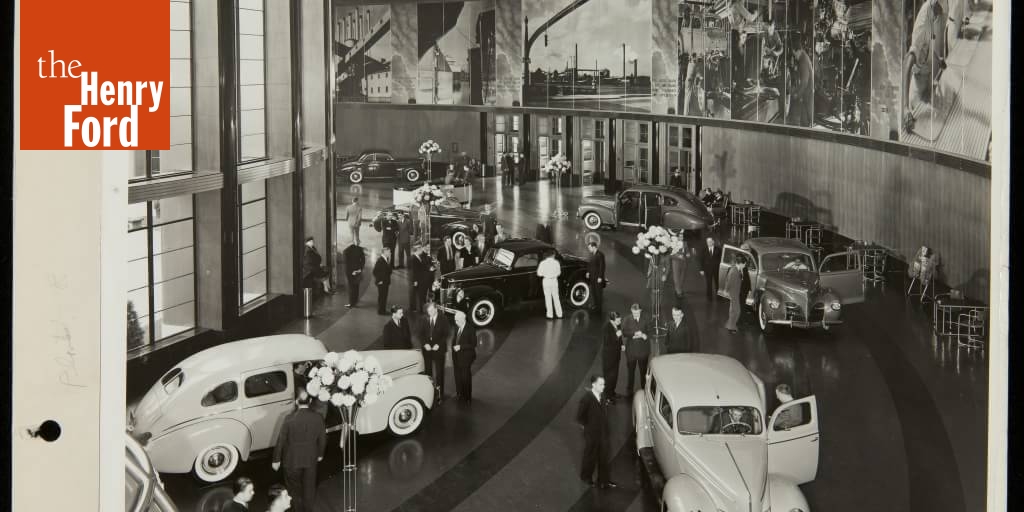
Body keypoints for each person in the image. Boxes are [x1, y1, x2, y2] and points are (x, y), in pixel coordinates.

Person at [272, 392, 326, 512]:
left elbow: (281, 440)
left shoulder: (289, 418)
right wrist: (320, 454)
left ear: (296, 401)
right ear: (310, 401)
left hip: (291, 459)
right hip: (310, 459)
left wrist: (276, 459)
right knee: (309, 490)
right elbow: (322, 438)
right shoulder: (318, 417)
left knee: (294, 491)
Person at [576, 376, 617, 489]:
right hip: (592, 433)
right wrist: (588, 427)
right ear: (593, 384)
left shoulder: (602, 396)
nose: (603, 387)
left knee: (604, 456)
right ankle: (586, 477)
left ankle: (603, 480)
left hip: (602, 431)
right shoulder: (587, 399)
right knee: (590, 455)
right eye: (600, 384)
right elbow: (580, 417)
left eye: (603, 384)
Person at [419, 302, 451, 402]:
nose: (430, 313)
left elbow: (447, 334)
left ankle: (440, 394)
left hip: (439, 350)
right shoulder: (424, 318)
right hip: (427, 350)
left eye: (432, 311)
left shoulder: (443, 319)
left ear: (436, 309)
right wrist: (425, 344)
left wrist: (439, 344)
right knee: (428, 372)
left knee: (439, 373)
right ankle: (429, 393)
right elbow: (420, 334)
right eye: (428, 311)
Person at [622, 303, 651, 397]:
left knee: (643, 373)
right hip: (631, 352)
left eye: (637, 313)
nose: (635, 315)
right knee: (631, 373)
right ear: (631, 311)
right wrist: (633, 334)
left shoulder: (646, 319)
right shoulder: (627, 319)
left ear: (640, 311)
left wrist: (644, 335)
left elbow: (650, 331)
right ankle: (629, 391)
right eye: (634, 313)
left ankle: (644, 390)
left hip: (643, 351)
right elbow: (624, 332)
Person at [451, 311, 478, 402]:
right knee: (458, 376)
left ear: (463, 319)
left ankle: (467, 397)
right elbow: (455, 339)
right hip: (456, 356)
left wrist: (461, 347)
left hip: (466, 357)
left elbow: (473, 344)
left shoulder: (470, 329)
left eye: (457, 320)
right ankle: (460, 393)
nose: (455, 322)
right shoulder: (456, 326)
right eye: (455, 320)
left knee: (465, 377)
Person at [787, 37, 813, 127]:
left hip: (808, 92)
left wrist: (797, 94)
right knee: (804, 118)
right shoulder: (803, 56)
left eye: (795, 54)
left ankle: (807, 130)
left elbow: (804, 82)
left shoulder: (803, 61)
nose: (795, 57)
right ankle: (805, 129)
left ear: (798, 51)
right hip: (807, 91)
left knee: (808, 115)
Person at [601, 312, 624, 404]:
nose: (620, 321)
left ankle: (612, 393)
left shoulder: (617, 325)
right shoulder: (606, 328)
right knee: (608, 378)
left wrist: (621, 344)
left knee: (614, 376)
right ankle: (607, 398)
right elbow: (607, 342)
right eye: (618, 320)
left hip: (616, 355)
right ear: (612, 320)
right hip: (608, 358)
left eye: (620, 320)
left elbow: (620, 337)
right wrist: (616, 336)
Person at [537, 250, 563, 319]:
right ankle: (559, 314)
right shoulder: (556, 263)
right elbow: (559, 273)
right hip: (554, 281)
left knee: (548, 298)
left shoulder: (543, 263)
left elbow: (539, 274)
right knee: (556, 298)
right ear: (552, 255)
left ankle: (550, 315)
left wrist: (545, 274)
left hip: (546, 281)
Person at [723, 256, 745, 334]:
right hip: (734, 292)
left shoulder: (738, 269)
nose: (745, 265)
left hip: (736, 292)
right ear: (741, 263)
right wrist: (725, 290)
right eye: (744, 264)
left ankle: (731, 325)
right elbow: (728, 281)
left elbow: (741, 279)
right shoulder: (733, 271)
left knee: (734, 310)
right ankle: (731, 327)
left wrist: (741, 271)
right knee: (736, 311)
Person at [342, 243, 365, 308]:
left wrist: (351, 272)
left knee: (351, 287)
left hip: (350, 272)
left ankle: (351, 303)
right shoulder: (360, 249)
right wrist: (360, 269)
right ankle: (355, 301)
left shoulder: (346, 251)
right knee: (356, 286)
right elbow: (363, 260)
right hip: (357, 270)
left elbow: (346, 263)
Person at [586, 241, 606, 313]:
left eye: (590, 248)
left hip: (597, 277)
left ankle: (599, 308)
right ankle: (595, 305)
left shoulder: (600, 255)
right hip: (592, 276)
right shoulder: (592, 254)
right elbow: (590, 264)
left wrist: (600, 277)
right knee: (593, 292)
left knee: (598, 293)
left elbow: (602, 266)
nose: (589, 249)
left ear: (594, 247)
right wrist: (588, 272)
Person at [374, 248, 393, 315]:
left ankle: (383, 310)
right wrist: (379, 280)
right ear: (385, 252)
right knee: (382, 297)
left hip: (385, 281)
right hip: (382, 282)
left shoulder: (386, 259)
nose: (390, 253)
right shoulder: (380, 260)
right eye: (389, 252)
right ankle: (381, 311)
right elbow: (375, 271)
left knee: (384, 296)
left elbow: (389, 271)